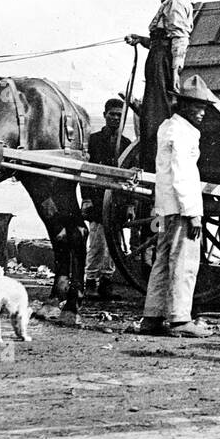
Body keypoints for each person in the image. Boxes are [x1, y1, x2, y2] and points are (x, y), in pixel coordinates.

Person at [139, 74, 218, 338]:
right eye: (198, 107)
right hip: (181, 208)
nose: (202, 113)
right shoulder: (182, 133)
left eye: (204, 107)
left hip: (165, 207)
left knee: (162, 260)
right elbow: (182, 173)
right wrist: (193, 212)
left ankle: (152, 317)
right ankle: (180, 319)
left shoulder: (167, 127)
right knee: (184, 262)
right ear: (183, 105)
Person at [125, 0, 195, 175]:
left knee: (157, 112)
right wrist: (142, 40)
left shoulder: (176, 0)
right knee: (151, 111)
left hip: (162, 61)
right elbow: (162, 38)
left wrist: (175, 69)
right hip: (158, 56)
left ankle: (155, 163)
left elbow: (180, 37)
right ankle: (151, 160)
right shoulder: (170, 0)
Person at [83, 97, 131, 296]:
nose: (115, 118)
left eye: (119, 115)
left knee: (114, 244)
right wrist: (86, 199)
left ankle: (106, 282)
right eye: (112, 114)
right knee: (96, 242)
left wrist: (130, 206)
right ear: (105, 115)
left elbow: (130, 179)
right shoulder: (93, 140)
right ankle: (91, 281)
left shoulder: (127, 144)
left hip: (117, 202)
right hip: (96, 198)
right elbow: (85, 173)